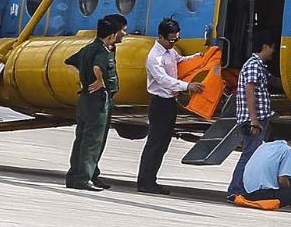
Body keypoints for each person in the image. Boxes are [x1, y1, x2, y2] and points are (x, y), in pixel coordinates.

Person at [137, 18, 204, 195]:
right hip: (160, 103)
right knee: (155, 143)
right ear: (161, 37)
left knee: (163, 144)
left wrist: (198, 58)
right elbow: (163, 80)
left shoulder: (170, 51)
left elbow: (180, 61)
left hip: (170, 103)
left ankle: (151, 179)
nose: (174, 43)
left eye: (177, 39)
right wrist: (187, 86)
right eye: (172, 40)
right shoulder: (155, 57)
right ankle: (145, 181)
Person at [64, 14, 127, 191]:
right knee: (93, 141)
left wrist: (83, 77)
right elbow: (98, 66)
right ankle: (84, 179)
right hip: (98, 100)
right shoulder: (102, 51)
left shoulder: (89, 47)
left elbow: (69, 62)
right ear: (112, 35)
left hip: (84, 99)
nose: (124, 34)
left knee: (81, 139)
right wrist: (99, 80)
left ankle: (74, 176)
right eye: (122, 30)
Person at [227, 30, 277, 199]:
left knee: (251, 154)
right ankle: (235, 190)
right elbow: (250, 91)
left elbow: (271, 80)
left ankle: (241, 188)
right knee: (248, 154)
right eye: (272, 48)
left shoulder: (259, 66)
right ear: (265, 47)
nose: (274, 52)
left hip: (257, 118)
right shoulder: (253, 65)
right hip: (253, 119)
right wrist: (254, 120)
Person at [239, 140, 291, 208]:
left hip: (248, 192)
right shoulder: (288, 150)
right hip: (263, 195)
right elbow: (282, 180)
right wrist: (288, 191)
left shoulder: (264, 146)